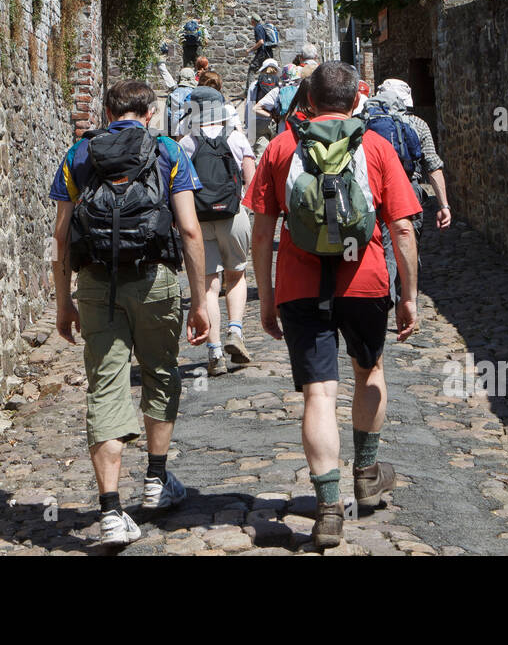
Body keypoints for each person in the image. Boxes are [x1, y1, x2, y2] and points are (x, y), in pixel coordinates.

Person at [243, 62, 420, 550]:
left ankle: (327, 510)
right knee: (369, 370)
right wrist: (408, 296)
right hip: (363, 283)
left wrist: (267, 294)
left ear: (309, 98)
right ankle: (366, 473)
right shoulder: (377, 146)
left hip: (300, 286)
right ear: (355, 99)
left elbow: (261, 230)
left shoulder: (281, 147)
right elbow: (402, 229)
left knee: (318, 395)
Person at [50, 81, 210, 547]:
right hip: (155, 279)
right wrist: (199, 301)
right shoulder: (168, 151)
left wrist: (64, 300)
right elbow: (190, 230)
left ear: (106, 110)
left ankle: (111, 512)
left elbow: (61, 236)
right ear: (150, 112)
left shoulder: (78, 154)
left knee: (106, 386)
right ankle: (157, 483)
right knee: (161, 372)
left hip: (97, 284)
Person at [178, 85, 258, 375]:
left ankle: (214, 353)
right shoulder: (236, 138)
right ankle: (235, 331)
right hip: (233, 216)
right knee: (236, 276)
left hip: (198, 220)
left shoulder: (186, 143)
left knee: (208, 285)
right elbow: (252, 182)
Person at [367, 78, 452, 295]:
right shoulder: (419, 124)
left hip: (373, 193)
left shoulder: (363, 122)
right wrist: (444, 205)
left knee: (380, 247)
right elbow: (432, 166)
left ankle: (382, 297)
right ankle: (407, 298)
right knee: (407, 244)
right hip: (408, 191)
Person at [247, 15, 278, 79]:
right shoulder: (261, 27)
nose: (250, 21)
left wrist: (250, 50)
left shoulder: (257, 28)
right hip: (267, 52)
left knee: (252, 69)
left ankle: (249, 88)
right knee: (267, 70)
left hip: (262, 53)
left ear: (253, 21)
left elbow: (261, 42)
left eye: (251, 20)